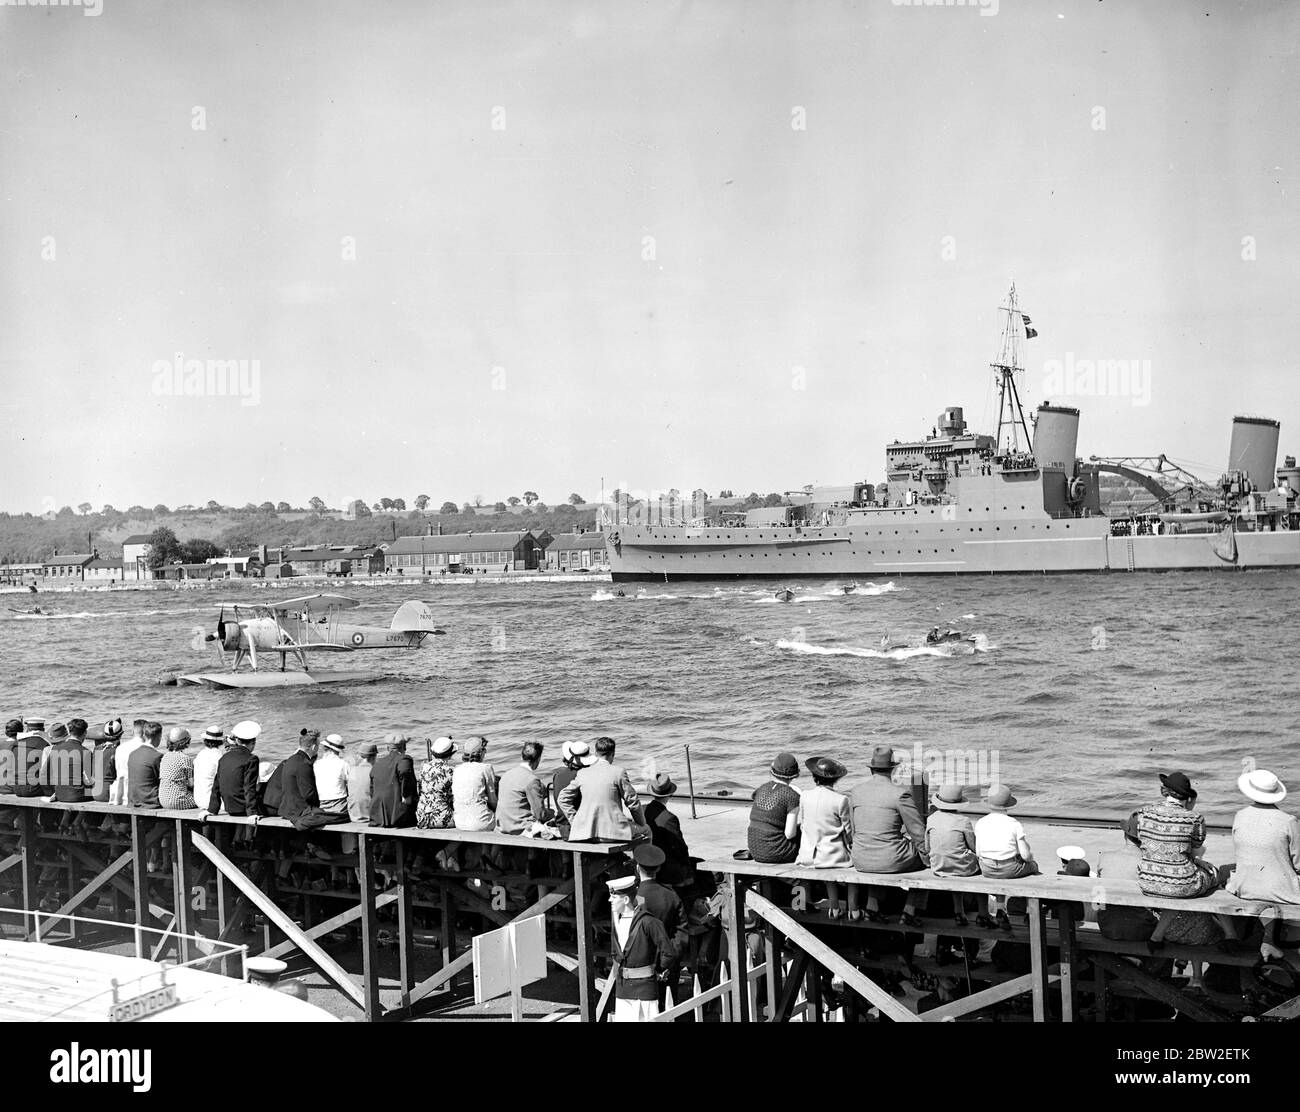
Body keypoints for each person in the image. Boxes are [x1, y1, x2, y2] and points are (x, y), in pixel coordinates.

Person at [1226, 769, 1300, 961]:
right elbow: (1298, 863)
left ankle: (1267, 939)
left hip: (1245, 887)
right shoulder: (1289, 821)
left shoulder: (1240, 815)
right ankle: (1274, 942)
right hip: (1281, 891)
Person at [849, 746, 929, 923]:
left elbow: (854, 830)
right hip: (890, 859)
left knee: (878, 847)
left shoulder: (856, 791)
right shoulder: (900, 794)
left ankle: (872, 906)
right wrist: (928, 857)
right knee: (925, 864)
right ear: (893, 768)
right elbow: (917, 832)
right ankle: (909, 910)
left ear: (871, 768)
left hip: (860, 858)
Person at [607, 873, 677, 1022]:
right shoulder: (617, 922)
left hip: (645, 988)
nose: (610, 900)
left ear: (626, 899)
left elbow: (669, 952)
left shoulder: (649, 922)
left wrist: (658, 969)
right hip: (623, 988)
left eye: (614, 897)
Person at [1136, 772, 1218, 899]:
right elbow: (1196, 849)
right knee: (1215, 873)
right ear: (1188, 797)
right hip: (1185, 886)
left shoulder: (1144, 813)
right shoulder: (1195, 819)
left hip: (1147, 883)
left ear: (1164, 791)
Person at [795, 756, 852, 919]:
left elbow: (803, 823)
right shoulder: (841, 800)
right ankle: (835, 908)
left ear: (814, 777)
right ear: (835, 780)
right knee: (832, 871)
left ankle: (802, 904)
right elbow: (848, 832)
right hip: (831, 857)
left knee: (806, 873)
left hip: (807, 855)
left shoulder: (804, 795)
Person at [633, 843, 689, 1006]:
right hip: (669, 961)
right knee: (669, 1005)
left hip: (643, 964)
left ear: (637, 867)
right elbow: (682, 931)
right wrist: (667, 962)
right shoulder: (671, 895)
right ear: (658, 869)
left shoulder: (636, 897)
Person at [558, 736, 644, 842]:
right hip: (613, 833)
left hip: (586, 833)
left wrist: (576, 821)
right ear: (613, 754)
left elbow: (562, 798)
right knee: (646, 830)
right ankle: (639, 859)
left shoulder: (582, 773)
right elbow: (632, 802)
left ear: (596, 753)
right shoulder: (619, 772)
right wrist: (641, 823)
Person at [279, 729, 348, 829]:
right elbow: (309, 794)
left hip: (287, 809)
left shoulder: (291, 759)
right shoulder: (304, 764)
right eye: (318, 746)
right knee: (342, 817)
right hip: (299, 811)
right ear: (314, 747)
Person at [747, 751, 801, 865]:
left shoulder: (761, 789)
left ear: (773, 771)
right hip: (776, 852)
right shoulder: (792, 795)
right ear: (795, 774)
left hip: (754, 848)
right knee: (802, 830)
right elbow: (789, 834)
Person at [974, 785, 1039, 879]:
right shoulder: (1014, 823)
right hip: (1010, 869)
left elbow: (978, 853)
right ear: (1008, 804)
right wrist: (1031, 858)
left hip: (987, 869)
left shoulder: (980, 822)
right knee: (1033, 866)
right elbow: (1026, 856)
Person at [644, 772, 693, 888]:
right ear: (670, 795)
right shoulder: (669, 818)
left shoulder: (642, 810)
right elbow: (680, 848)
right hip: (666, 870)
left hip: (646, 864)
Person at [206, 721, 262, 817]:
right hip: (243, 808)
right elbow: (249, 787)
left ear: (237, 741)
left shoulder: (224, 758)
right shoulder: (251, 759)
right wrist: (252, 813)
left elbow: (216, 786)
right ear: (253, 743)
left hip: (229, 807)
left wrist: (212, 810)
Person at [495, 741, 549, 835]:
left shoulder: (506, 775)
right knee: (551, 815)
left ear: (522, 756)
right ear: (538, 759)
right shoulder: (532, 780)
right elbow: (540, 815)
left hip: (502, 825)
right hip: (520, 828)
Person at [370, 733, 417, 828]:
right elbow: (404, 772)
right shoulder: (404, 759)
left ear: (388, 748)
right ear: (404, 747)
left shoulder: (378, 763)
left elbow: (372, 790)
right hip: (398, 817)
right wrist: (406, 795)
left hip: (377, 817)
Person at [452, 735, 498, 831]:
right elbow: (493, 801)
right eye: (485, 750)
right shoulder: (486, 768)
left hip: (459, 822)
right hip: (481, 823)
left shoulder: (456, 769)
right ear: (481, 752)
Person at [415, 736, 455, 829]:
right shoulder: (450, 771)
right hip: (441, 818)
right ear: (450, 755)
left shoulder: (423, 767)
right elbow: (452, 796)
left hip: (422, 817)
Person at [47, 721, 90, 804]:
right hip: (78, 795)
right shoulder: (86, 752)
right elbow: (90, 780)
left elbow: (47, 774)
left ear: (69, 733)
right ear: (85, 733)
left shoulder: (55, 750)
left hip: (60, 794)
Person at [127, 722, 166, 808]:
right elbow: (163, 782)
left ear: (144, 735)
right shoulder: (157, 756)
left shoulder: (132, 754)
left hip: (133, 801)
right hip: (150, 802)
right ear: (158, 737)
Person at [110, 719, 147, 806]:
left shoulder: (120, 748)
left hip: (121, 796)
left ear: (132, 731)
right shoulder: (145, 749)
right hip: (137, 797)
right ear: (146, 733)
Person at [158, 727, 196, 808]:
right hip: (178, 801)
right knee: (202, 799)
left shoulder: (165, 757)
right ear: (186, 742)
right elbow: (191, 784)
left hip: (163, 800)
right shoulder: (185, 759)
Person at [314, 733, 351, 816]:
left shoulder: (316, 764)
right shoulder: (344, 764)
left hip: (320, 805)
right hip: (339, 807)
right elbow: (351, 785)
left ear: (325, 748)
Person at [191, 726, 225, 815]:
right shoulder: (219, 756)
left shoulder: (200, 755)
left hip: (198, 799)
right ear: (220, 741)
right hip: (212, 802)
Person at [348, 741, 378, 822]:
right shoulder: (375, 771)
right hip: (369, 815)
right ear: (374, 756)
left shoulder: (352, 770)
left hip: (353, 815)